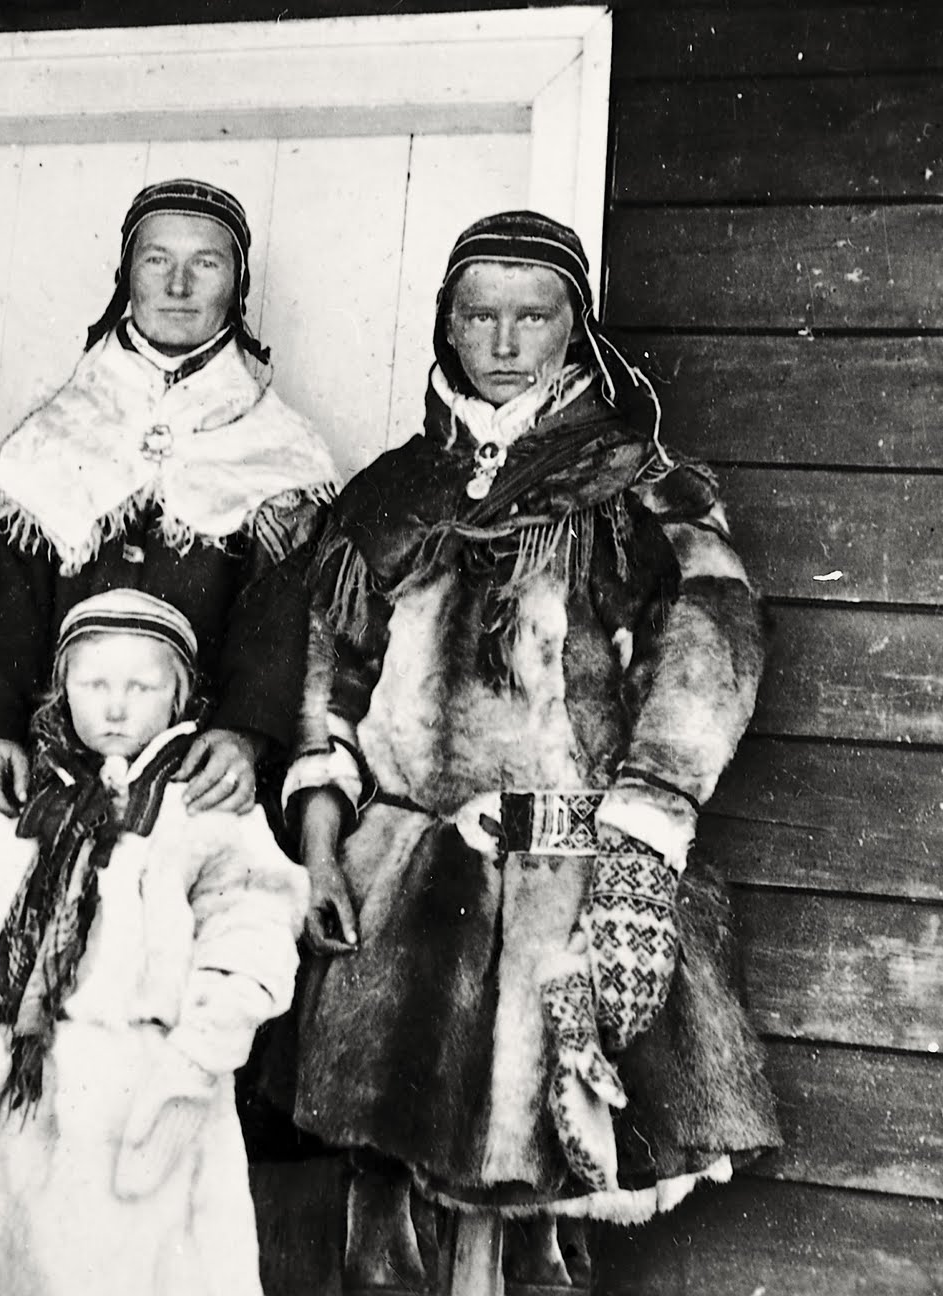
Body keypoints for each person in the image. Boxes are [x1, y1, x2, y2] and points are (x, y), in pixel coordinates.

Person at [268, 211, 780, 1289]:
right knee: (384, 1220)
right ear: (447, 328)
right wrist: (320, 839)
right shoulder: (388, 495)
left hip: (571, 882)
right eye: (478, 316)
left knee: (541, 1219)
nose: (502, 341)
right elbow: (328, 679)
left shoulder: (636, 488)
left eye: (531, 317)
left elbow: (707, 652)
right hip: (400, 890)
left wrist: (643, 843)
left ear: (573, 329)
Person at [0, 589, 309, 1296]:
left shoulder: (201, 812)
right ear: (61, 688)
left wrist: (195, 1059)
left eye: (140, 687)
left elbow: (252, 933)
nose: (114, 707)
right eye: (93, 683)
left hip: (146, 1100)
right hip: (5, 1089)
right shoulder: (18, 804)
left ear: (179, 699)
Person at [0, 177, 339, 822]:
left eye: (205, 264)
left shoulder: (284, 455)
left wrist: (244, 736)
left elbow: (280, 626)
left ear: (237, 287)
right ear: (125, 273)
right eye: (157, 260)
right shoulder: (45, 438)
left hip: (199, 776)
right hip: (50, 764)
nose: (177, 286)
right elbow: (2, 612)